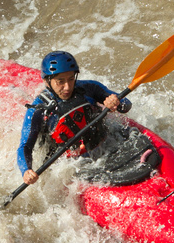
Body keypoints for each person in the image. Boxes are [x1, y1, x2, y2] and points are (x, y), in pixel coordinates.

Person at [17, 51, 132, 185]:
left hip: (105, 146)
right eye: (60, 81)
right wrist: (26, 170)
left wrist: (115, 102)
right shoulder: (38, 110)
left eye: (71, 79)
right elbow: (25, 146)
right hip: (72, 164)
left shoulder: (89, 88)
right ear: (46, 81)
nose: (67, 87)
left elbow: (126, 105)